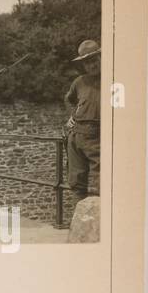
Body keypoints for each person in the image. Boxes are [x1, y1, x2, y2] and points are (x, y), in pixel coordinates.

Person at [64, 40, 101, 199]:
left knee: (104, 177)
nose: (91, 65)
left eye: (94, 60)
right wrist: (71, 115)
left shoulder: (114, 79)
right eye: (87, 63)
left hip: (97, 136)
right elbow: (68, 99)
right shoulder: (79, 82)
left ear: (101, 58)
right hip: (76, 134)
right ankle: (79, 221)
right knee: (76, 181)